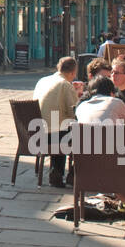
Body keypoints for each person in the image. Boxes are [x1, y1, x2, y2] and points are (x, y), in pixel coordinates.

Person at [34, 56, 82, 188]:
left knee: (59, 125)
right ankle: (73, 174)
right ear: (73, 72)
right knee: (84, 135)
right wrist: (78, 95)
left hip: (37, 132)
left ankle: (56, 172)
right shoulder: (65, 85)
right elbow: (74, 112)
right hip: (54, 136)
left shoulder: (42, 80)